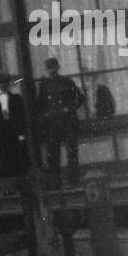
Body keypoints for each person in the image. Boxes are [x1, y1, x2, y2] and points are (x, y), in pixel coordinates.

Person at [36, 57, 84, 188]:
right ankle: (55, 182)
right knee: (53, 153)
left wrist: (69, 107)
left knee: (71, 152)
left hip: (68, 121)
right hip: (52, 124)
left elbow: (80, 98)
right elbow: (40, 105)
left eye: (53, 67)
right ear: (46, 70)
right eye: (49, 68)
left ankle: (73, 181)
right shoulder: (44, 85)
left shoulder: (67, 81)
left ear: (58, 67)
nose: (51, 71)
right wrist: (46, 114)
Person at [0, 70, 28, 177]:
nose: (3, 85)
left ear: (9, 83)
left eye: (5, 82)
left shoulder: (16, 98)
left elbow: (22, 116)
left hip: (13, 133)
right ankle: (5, 185)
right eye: (0, 83)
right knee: (2, 160)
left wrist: (21, 132)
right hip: (0, 134)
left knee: (16, 159)